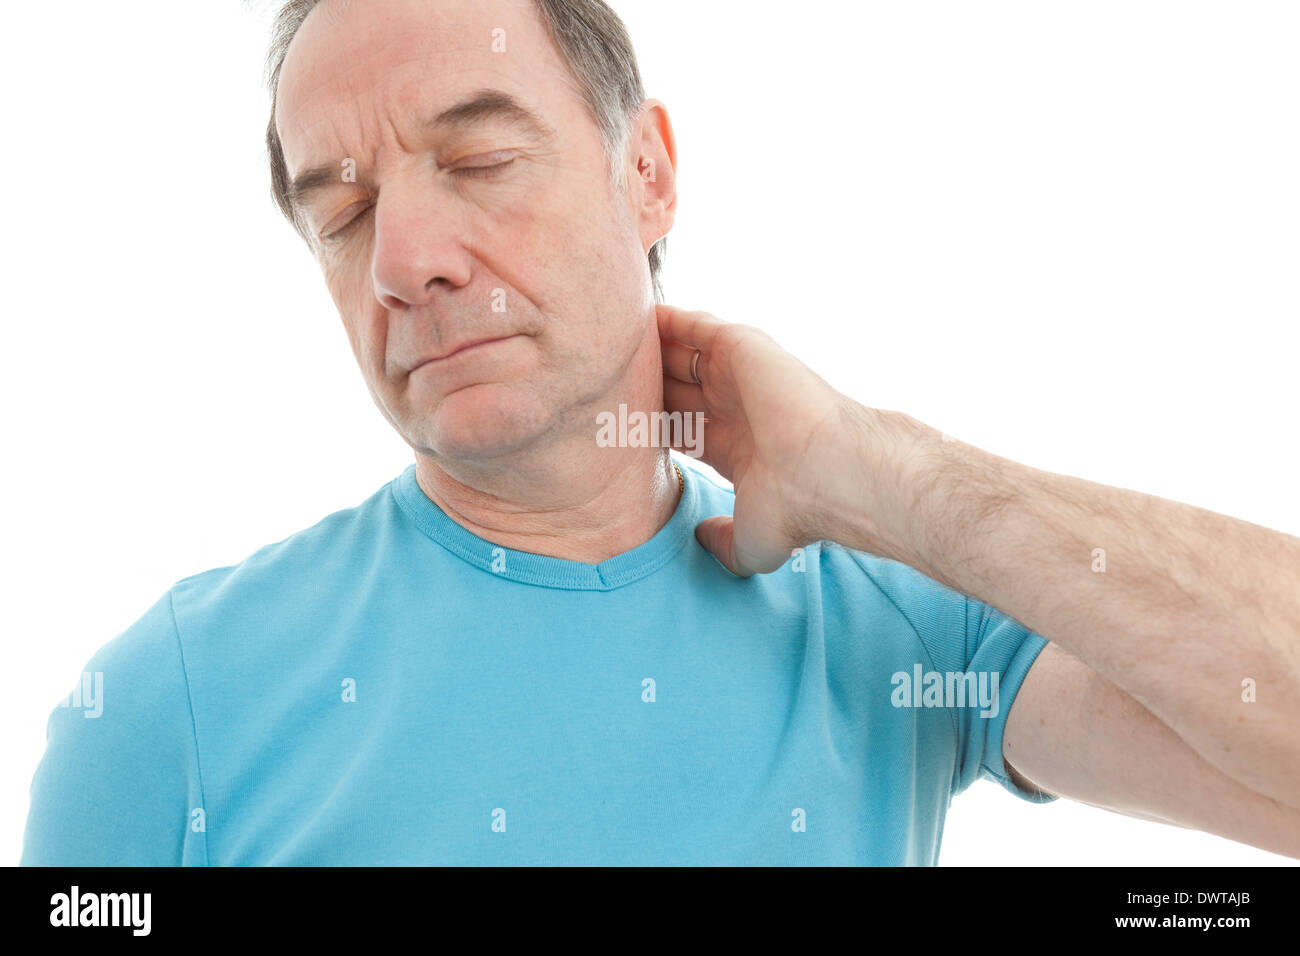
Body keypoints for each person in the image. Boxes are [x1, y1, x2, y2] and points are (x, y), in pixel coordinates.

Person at [21, 0, 1300, 865]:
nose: (405, 262)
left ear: (647, 173)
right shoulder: (158, 708)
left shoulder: (900, 617)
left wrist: (883, 470)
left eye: (476, 161)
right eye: (343, 213)